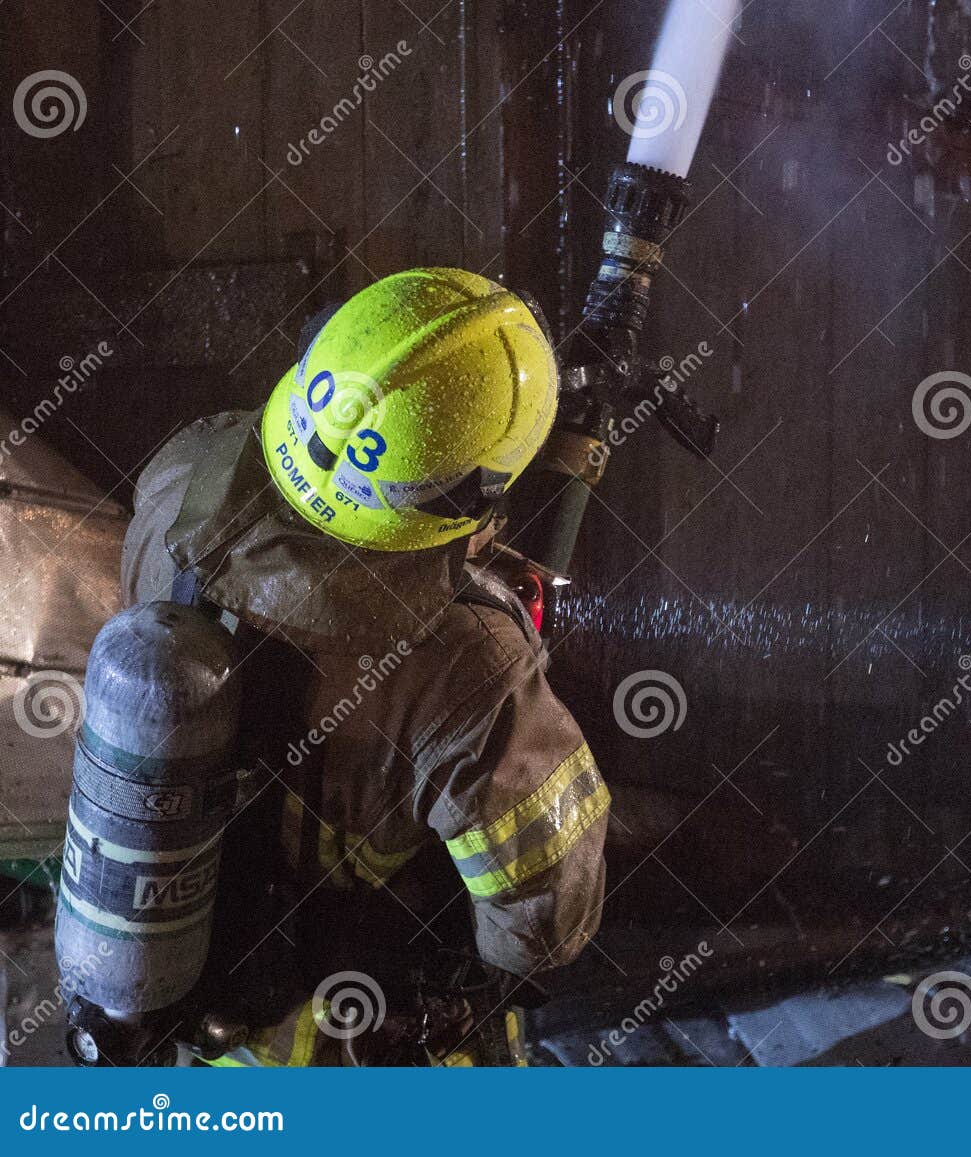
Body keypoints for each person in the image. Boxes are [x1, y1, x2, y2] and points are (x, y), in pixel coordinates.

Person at [119, 268, 609, 1065]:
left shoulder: (177, 481)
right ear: (471, 495)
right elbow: (545, 930)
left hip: (193, 1020)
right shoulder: (468, 668)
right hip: (349, 1049)